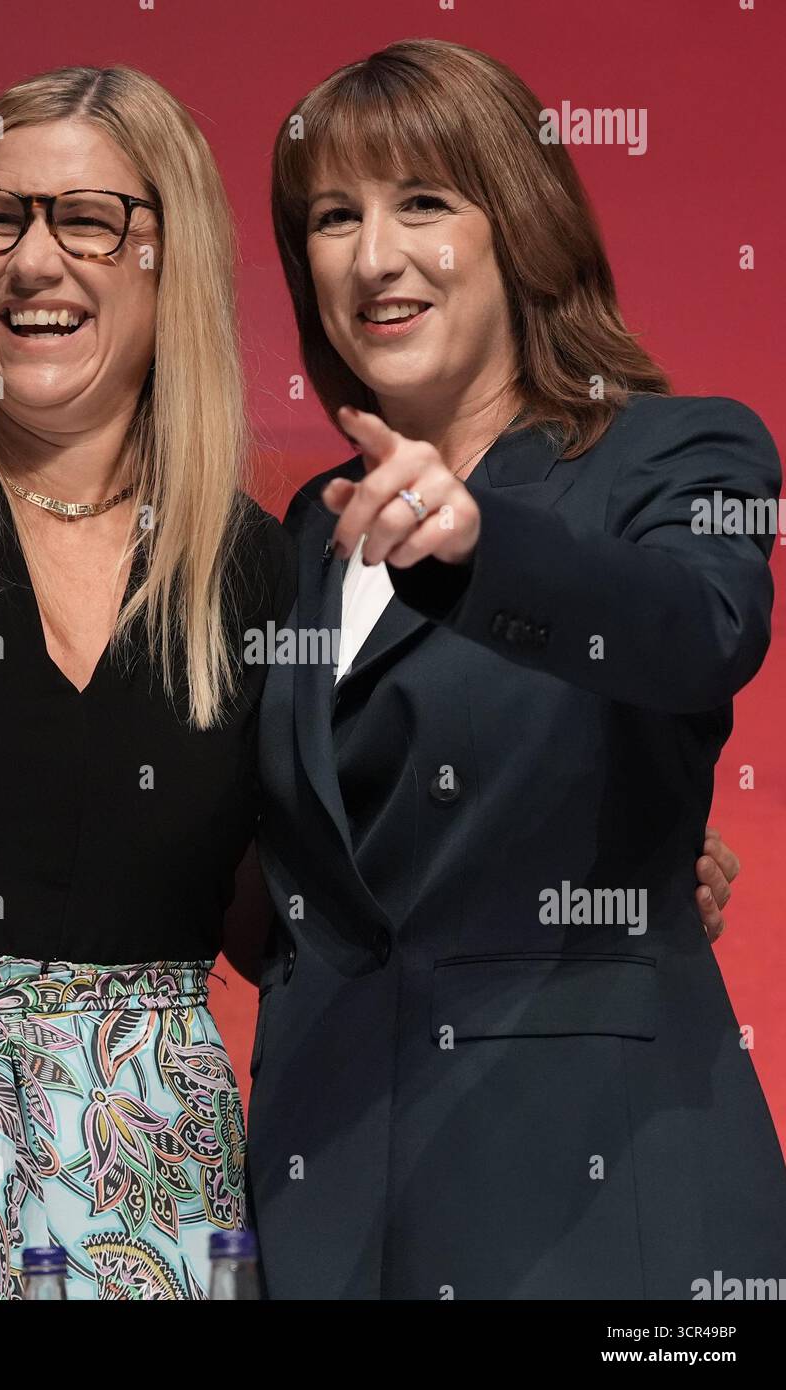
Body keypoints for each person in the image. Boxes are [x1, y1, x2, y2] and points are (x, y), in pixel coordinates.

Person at [247, 39, 786, 1299]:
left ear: (521, 223)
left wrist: (485, 550)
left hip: (590, 1208)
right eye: (334, 216)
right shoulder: (301, 545)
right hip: (328, 1195)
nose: (373, 255)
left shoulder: (669, 451)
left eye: (423, 201)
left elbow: (699, 625)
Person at [0, 65, 293, 1300]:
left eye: (87, 218)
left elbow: (277, 907)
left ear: (166, 258)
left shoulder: (248, 570)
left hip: (145, 1186)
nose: (34, 259)